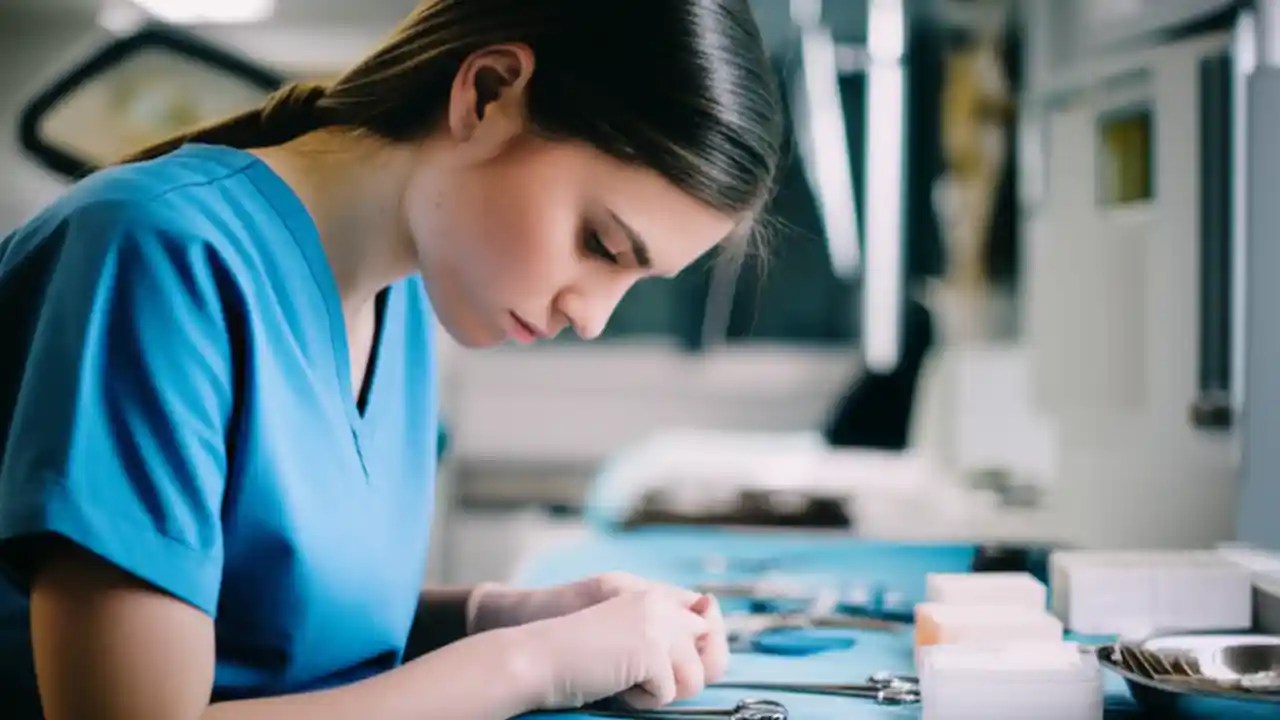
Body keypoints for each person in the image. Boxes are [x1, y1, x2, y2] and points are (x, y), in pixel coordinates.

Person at [0, 1, 783, 718]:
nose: (591, 316)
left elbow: (275, 626)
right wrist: (527, 663)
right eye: (600, 244)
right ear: (488, 93)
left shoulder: (405, 300)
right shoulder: (155, 256)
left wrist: (496, 615)